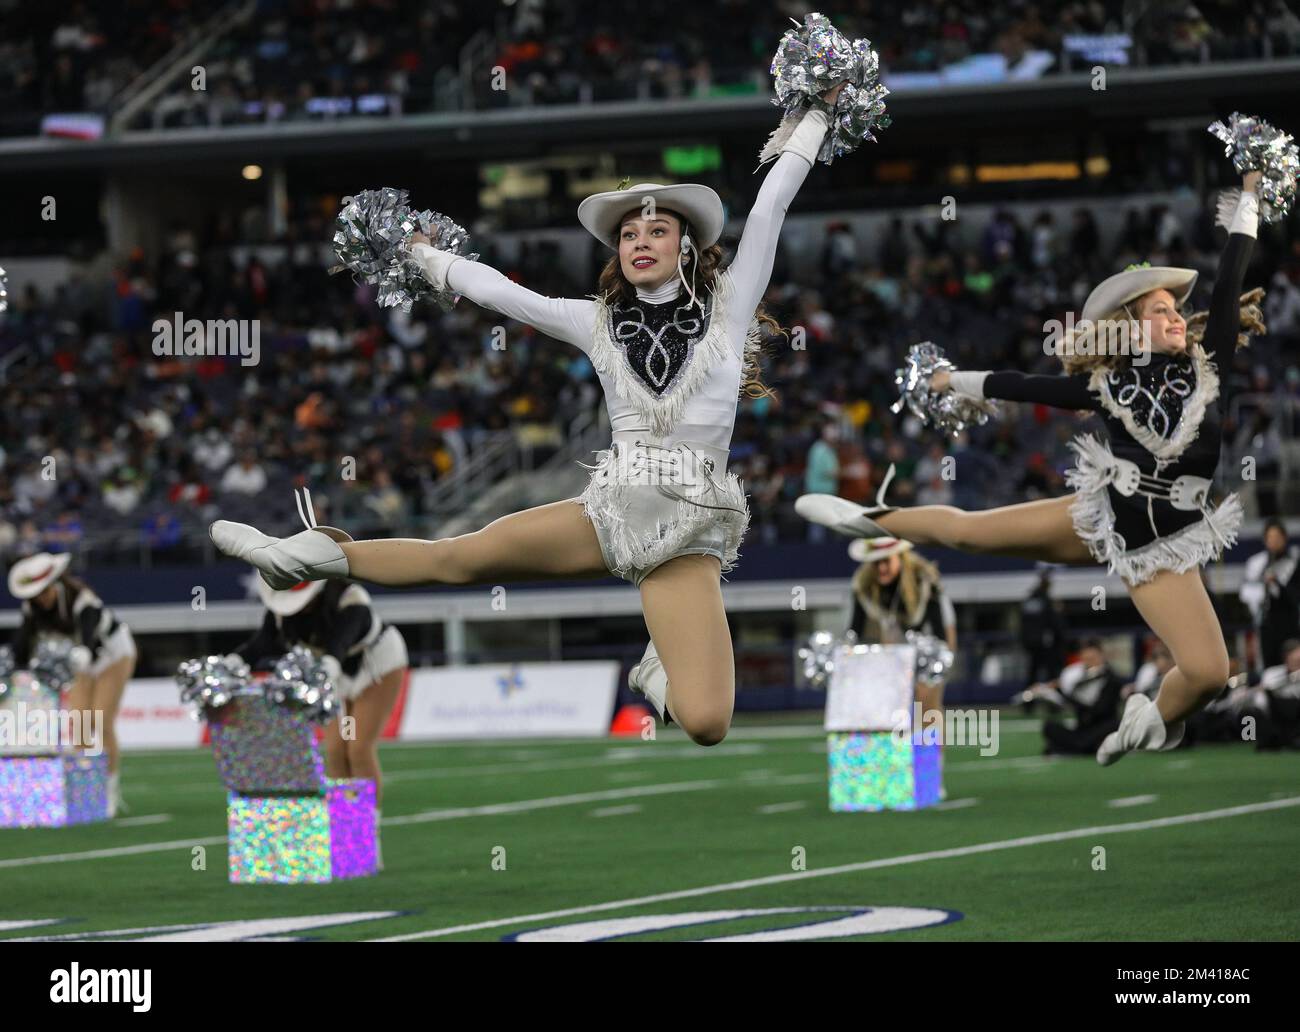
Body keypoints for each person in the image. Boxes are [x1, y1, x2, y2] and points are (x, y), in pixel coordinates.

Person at [211, 83, 850, 746]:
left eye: (658, 230)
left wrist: (819, 116)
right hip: (611, 511)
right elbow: (499, 293)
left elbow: (772, 202)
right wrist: (418, 252)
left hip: (685, 529)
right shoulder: (594, 320)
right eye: (628, 233)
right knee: (456, 559)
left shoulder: (731, 306)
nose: (640, 240)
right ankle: (309, 555)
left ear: (687, 246)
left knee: (709, 724)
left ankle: (657, 670)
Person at [797, 169, 1266, 765]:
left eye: (1177, 309)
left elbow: (1229, 284)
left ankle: (1140, 724)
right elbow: (1025, 386)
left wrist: (1247, 198)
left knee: (1208, 671)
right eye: (1160, 309)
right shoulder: (1109, 383)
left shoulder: (1211, 367)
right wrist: (952, 380)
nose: (1178, 317)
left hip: (1162, 542)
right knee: (972, 532)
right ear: (1129, 325)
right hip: (1105, 513)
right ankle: (872, 519)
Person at [231, 575, 408, 868]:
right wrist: (233, 662)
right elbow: (261, 645)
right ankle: (344, 832)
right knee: (336, 748)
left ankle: (367, 834)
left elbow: (341, 640)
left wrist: (325, 669)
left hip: (376, 664)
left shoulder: (350, 598)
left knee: (359, 746)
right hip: (332, 674)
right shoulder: (280, 612)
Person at [7, 552, 137, 816]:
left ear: (55, 585)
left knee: (101, 720)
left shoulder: (82, 600)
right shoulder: (32, 608)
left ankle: (110, 791)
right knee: (78, 723)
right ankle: (84, 790)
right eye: (36, 595)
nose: (41, 599)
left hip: (113, 656)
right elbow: (21, 646)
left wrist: (83, 653)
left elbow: (88, 637)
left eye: (44, 592)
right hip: (77, 663)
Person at [1022, 638, 1125, 756]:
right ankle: (1081, 748)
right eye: (1086, 660)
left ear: (1101, 656)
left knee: (1108, 728)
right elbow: (1071, 698)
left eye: (1092, 659)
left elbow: (1099, 710)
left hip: (1102, 727)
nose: (1089, 663)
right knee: (1049, 727)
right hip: (1083, 729)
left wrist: (1070, 700)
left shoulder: (1112, 679)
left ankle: (1068, 748)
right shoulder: (1080, 678)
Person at [1239, 518, 1300, 670]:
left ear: (1285, 538)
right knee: (1269, 667)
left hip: (1289, 624)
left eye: (1277, 538)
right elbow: (1247, 592)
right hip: (1266, 625)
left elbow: (1294, 595)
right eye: (1270, 538)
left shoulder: (1294, 562)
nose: (1273, 542)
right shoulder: (1257, 563)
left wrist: (1276, 583)